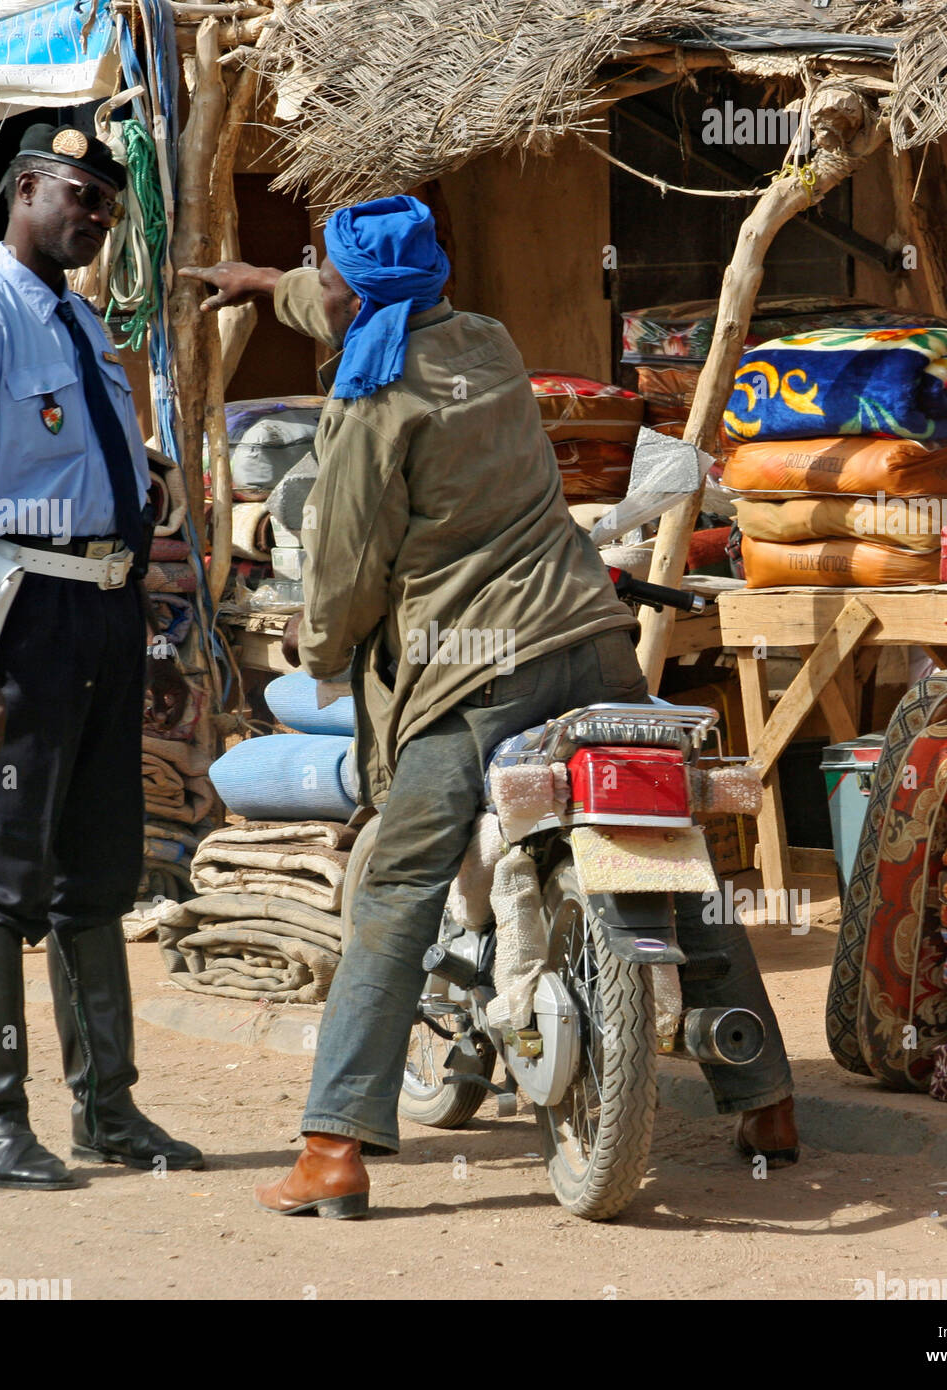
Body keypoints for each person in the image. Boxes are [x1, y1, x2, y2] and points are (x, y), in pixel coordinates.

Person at [180, 195, 796, 1218]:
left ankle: (333, 1146)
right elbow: (348, 299)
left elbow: (341, 563)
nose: (315, 288)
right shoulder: (488, 341)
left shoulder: (369, 405)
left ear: (356, 295)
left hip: (473, 674)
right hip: (591, 642)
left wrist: (322, 651)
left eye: (320, 275)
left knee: (395, 886)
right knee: (674, 854)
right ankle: (766, 1098)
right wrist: (262, 285)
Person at [0, 123, 203, 1190]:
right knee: (1, 880)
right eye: (80, 196)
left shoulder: (83, 323)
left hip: (106, 618)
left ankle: (108, 1112)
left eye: (107, 207)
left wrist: (143, 496)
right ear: (24, 189)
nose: (95, 218)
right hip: (22, 623)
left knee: (100, 877)